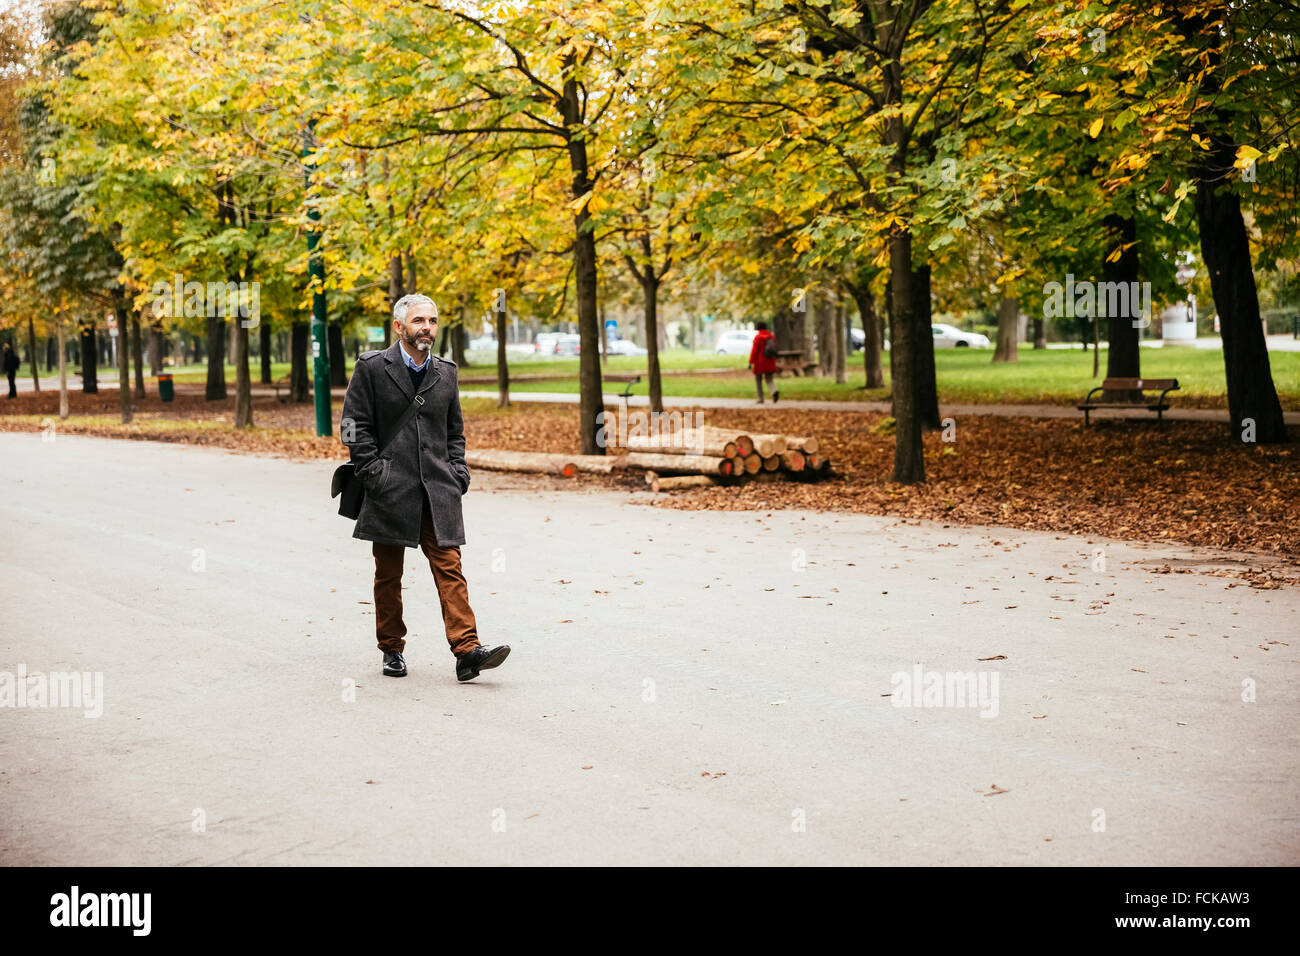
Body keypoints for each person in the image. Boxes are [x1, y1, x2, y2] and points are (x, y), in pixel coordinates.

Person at [341, 293, 510, 682]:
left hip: (438, 490)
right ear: (399, 327)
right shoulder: (371, 367)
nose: (427, 328)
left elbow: (455, 431)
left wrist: (457, 473)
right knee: (389, 574)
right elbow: (354, 426)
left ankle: (467, 650)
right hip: (389, 490)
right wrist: (374, 472)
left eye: (432, 321)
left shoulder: (446, 372)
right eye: (419, 321)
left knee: (451, 568)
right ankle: (392, 649)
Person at [747, 322, 779, 404]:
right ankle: (774, 391)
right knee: (769, 379)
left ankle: (761, 398)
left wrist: (750, 362)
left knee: (758, 380)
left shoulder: (758, 337)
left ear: (758, 328)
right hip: (770, 360)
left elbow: (754, 351)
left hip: (760, 362)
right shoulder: (771, 336)